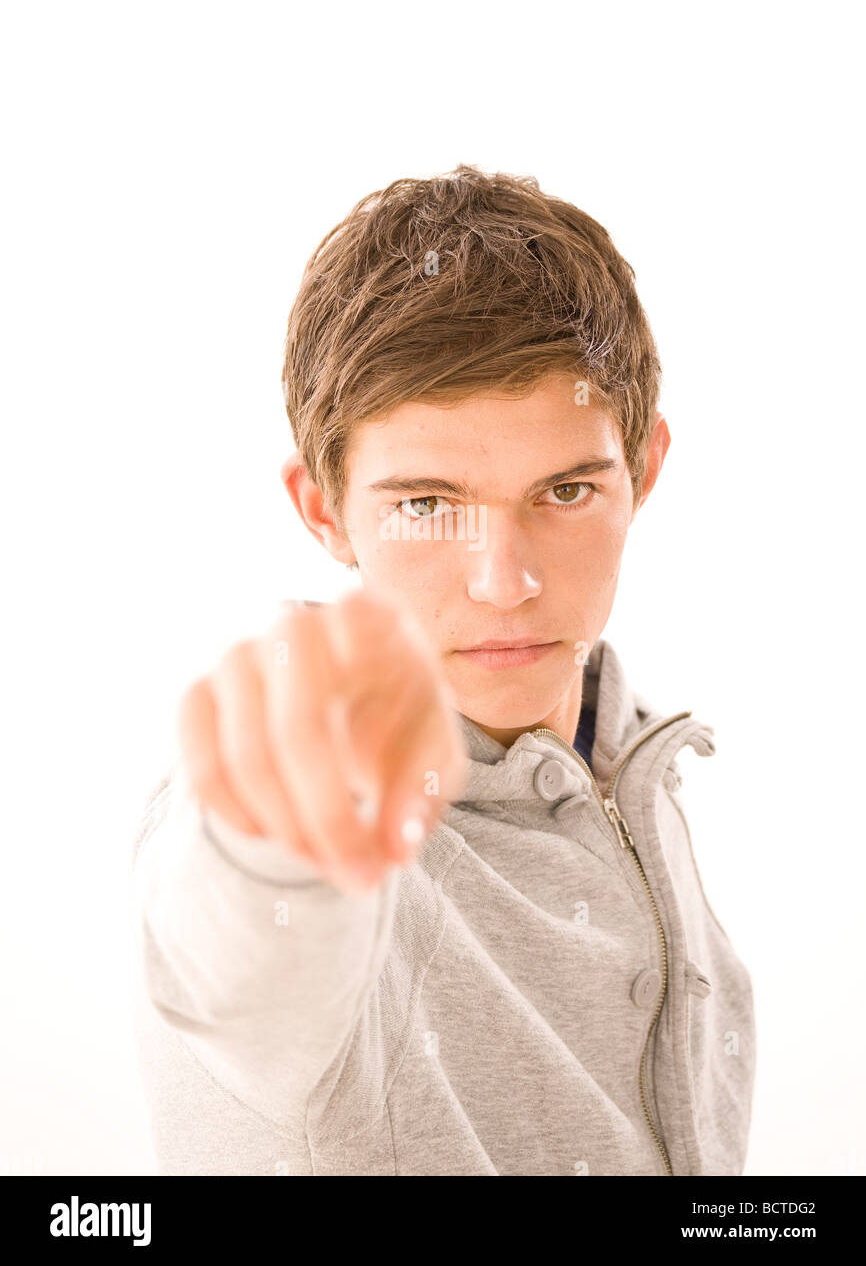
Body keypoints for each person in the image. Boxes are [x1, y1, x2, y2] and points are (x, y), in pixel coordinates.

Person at [131, 164, 756, 1175]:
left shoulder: (627, 754)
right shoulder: (321, 789)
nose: (503, 583)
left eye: (562, 490)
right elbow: (244, 958)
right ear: (323, 511)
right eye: (424, 504)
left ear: (641, 472)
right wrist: (267, 828)